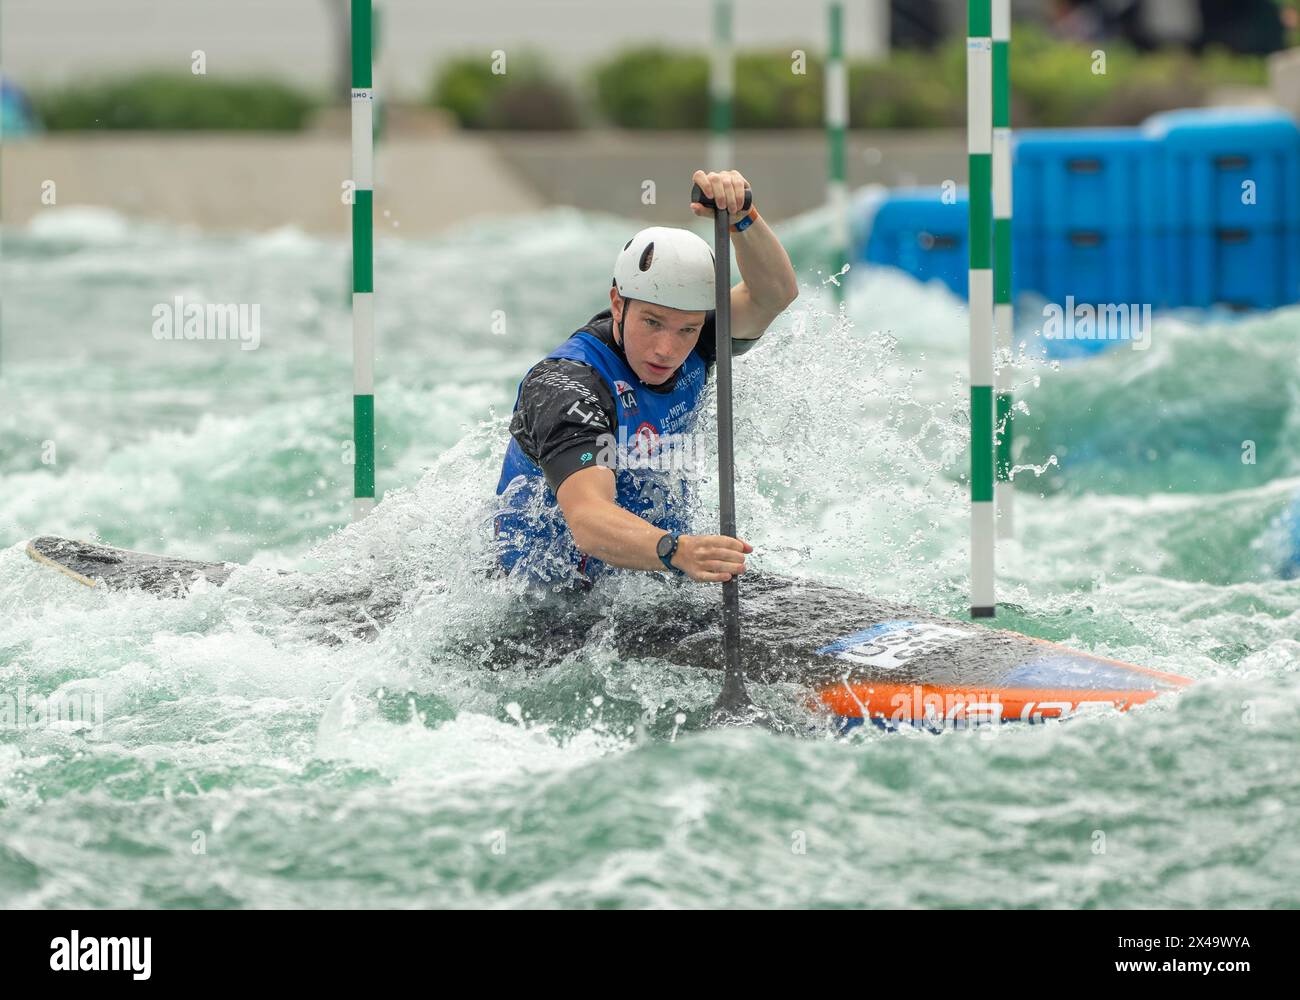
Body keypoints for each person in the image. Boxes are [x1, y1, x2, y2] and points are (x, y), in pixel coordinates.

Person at [494, 168, 799, 590]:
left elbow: (774, 295)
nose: (667, 350)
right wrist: (679, 552)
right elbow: (588, 519)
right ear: (618, 303)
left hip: (649, 581)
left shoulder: (698, 341)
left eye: (686, 329)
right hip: (538, 605)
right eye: (652, 323)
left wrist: (743, 218)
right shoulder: (566, 387)